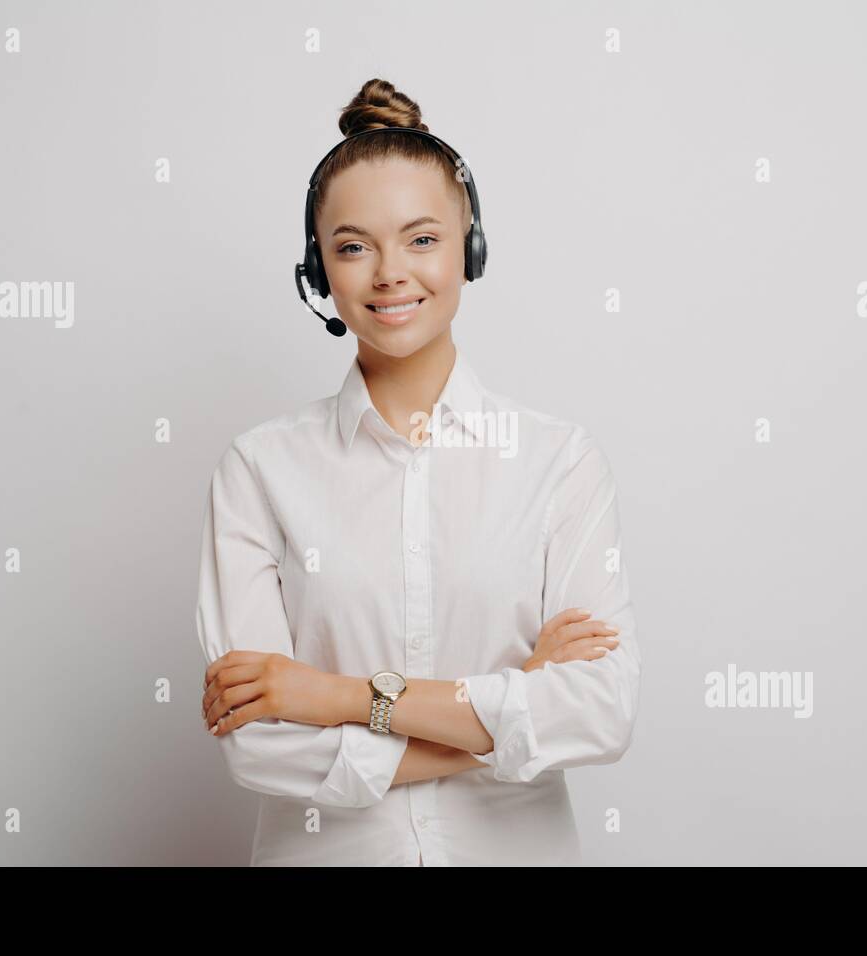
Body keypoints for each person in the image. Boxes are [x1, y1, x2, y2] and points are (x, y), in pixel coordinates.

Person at [196, 78, 641, 866]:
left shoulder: (559, 462)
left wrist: (336, 697)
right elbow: (261, 744)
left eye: (422, 239)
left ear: (470, 247)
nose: (390, 272)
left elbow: (600, 714)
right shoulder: (258, 470)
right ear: (319, 270)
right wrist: (511, 706)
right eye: (354, 245)